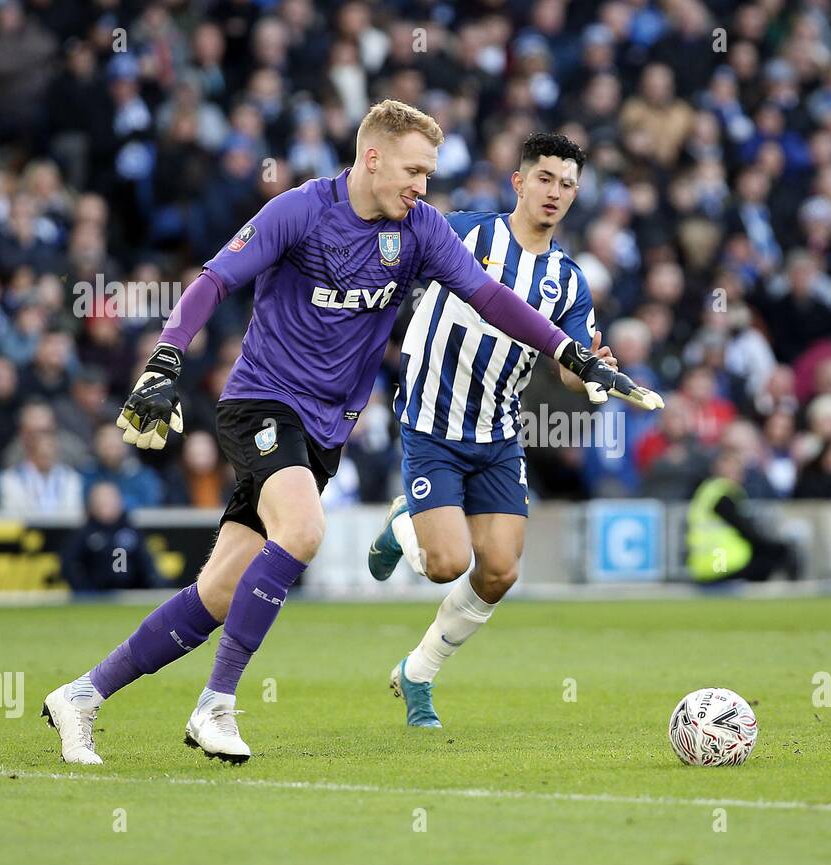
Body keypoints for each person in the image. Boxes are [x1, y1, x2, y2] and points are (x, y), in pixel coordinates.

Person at [42, 100, 660, 765]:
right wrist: (166, 355)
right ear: (372, 157)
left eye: (429, 173)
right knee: (304, 532)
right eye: (415, 170)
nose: (423, 186)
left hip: (324, 432)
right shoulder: (300, 211)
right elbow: (216, 279)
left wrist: (566, 350)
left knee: (219, 593)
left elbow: (487, 295)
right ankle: (216, 705)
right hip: (261, 405)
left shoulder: (419, 228)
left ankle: (83, 694)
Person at [364, 132, 659, 727]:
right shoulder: (467, 232)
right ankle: (403, 523)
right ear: (518, 181)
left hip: (499, 429)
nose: (556, 192)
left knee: (498, 571)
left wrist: (594, 373)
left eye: (568, 184)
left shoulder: (569, 281)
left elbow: (569, 367)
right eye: (545, 178)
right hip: (432, 417)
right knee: (447, 563)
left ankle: (417, 672)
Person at [687, 451, 797, 583]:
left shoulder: (708, 493)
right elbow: (746, 531)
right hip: (721, 567)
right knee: (776, 554)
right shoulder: (722, 497)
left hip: (707, 566)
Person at [60, 482, 165, 592]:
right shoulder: (83, 534)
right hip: (96, 595)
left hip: (129, 594)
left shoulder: (131, 531)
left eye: (110, 500)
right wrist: (84, 590)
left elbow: (146, 563)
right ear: (92, 505)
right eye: (101, 501)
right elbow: (68, 564)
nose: (106, 506)